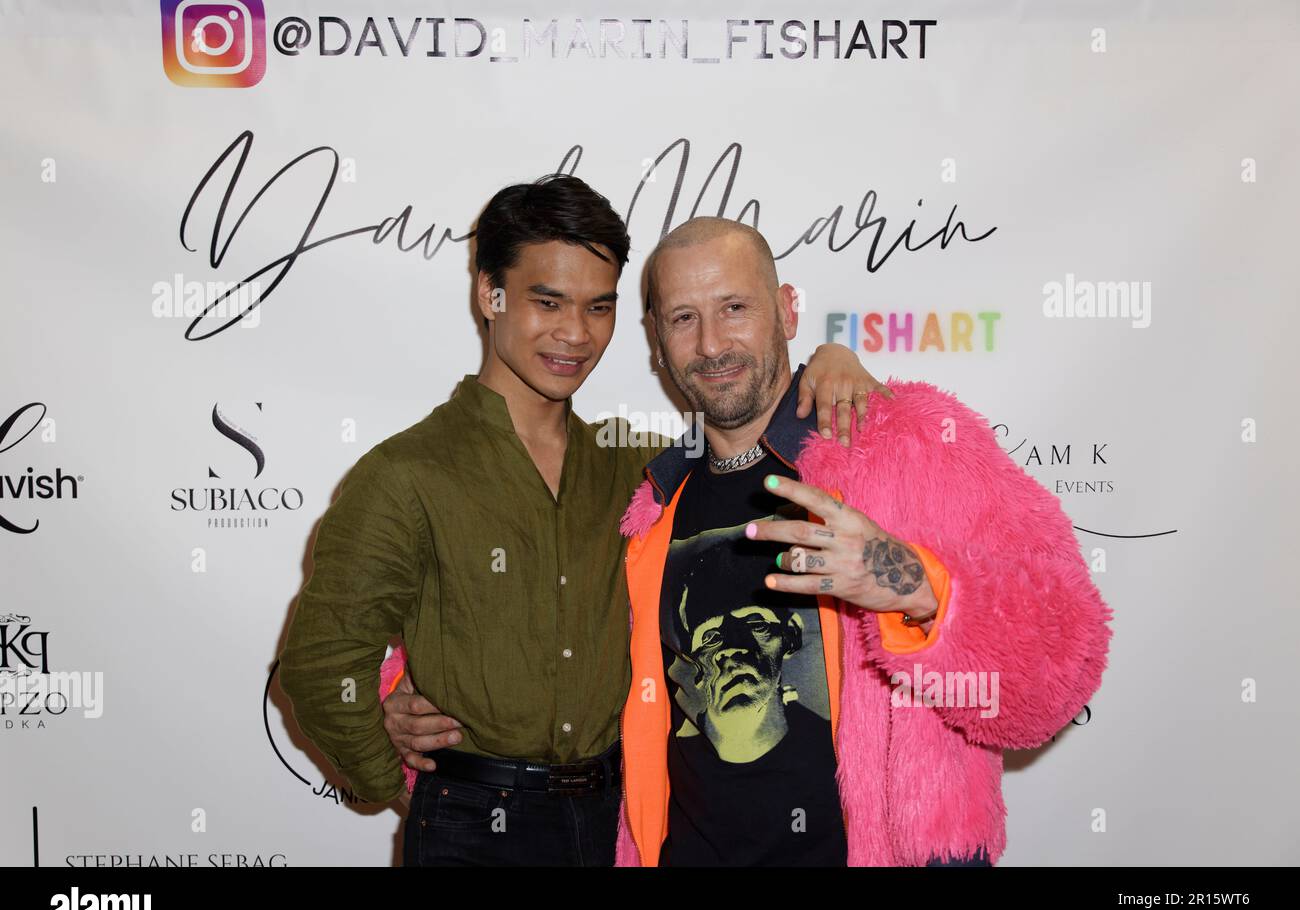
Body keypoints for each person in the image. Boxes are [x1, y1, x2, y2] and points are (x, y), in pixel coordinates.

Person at [277, 176, 889, 867]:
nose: (574, 332)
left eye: (598, 307)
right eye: (548, 302)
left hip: (610, 822)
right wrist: (409, 786)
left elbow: (746, 419)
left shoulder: (634, 470)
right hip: (471, 826)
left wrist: (831, 363)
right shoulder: (406, 472)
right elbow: (322, 662)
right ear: (489, 294)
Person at [612, 216, 1113, 865]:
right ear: (657, 342)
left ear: (788, 310)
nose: (711, 343)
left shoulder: (906, 446)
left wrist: (914, 584)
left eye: (734, 307)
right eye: (683, 318)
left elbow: (1068, 659)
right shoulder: (653, 509)